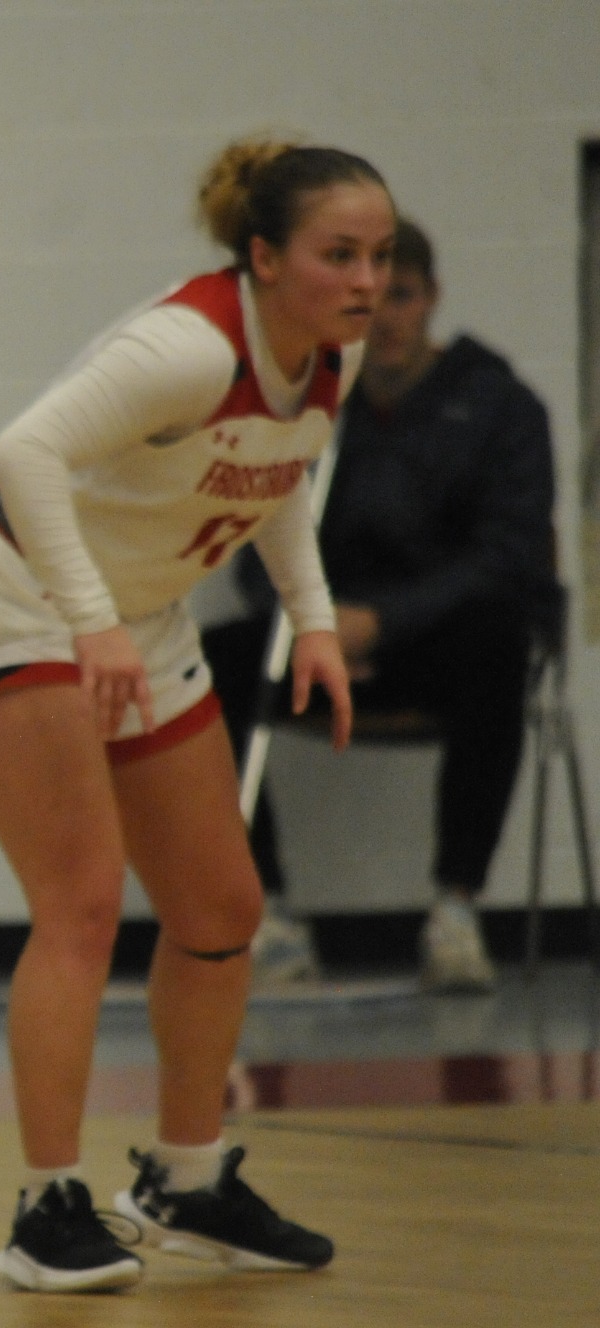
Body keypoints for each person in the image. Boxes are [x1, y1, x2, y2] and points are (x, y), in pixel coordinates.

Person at [0, 137, 391, 1292]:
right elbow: (22, 450)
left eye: (378, 256)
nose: (365, 280)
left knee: (220, 905)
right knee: (79, 901)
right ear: (263, 257)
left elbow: (272, 474)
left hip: (131, 607)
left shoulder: (328, 350)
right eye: (338, 255)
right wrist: (89, 622)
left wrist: (311, 618)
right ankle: (43, 1208)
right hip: (12, 587)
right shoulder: (187, 347)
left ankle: (183, 1178)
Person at [203, 218, 559, 993]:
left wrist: (383, 624)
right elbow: (257, 538)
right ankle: (265, 916)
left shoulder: (500, 406)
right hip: (323, 642)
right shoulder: (311, 407)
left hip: (441, 644)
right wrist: (315, 625)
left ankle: (455, 910)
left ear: (430, 297)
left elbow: (506, 557)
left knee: (499, 643)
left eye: (401, 296)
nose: (385, 319)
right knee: (208, 665)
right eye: (365, 303)